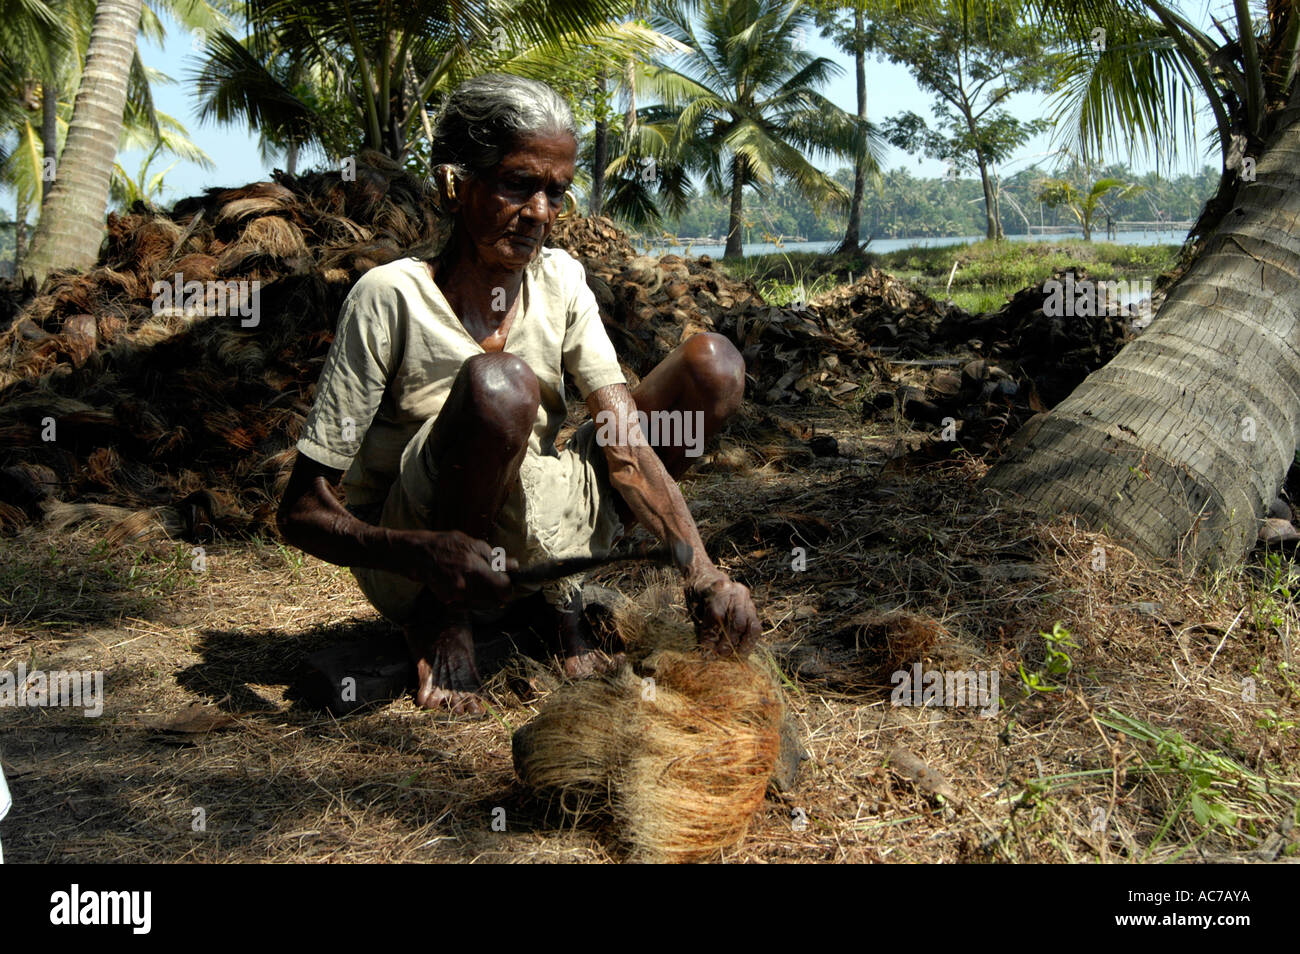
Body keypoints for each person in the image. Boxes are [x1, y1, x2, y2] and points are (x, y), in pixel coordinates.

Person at [277, 73, 760, 714]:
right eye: (516, 184)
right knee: (497, 383)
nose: (538, 213)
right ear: (453, 184)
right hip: (421, 547)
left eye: (556, 192)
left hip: (527, 516)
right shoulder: (389, 298)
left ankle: (558, 599)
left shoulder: (559, 279)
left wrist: (700, 569)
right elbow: (300, 512)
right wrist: (423, 555)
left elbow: (622, 443)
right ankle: (447, 621)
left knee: (713, 365)